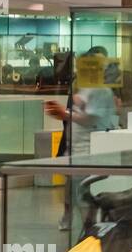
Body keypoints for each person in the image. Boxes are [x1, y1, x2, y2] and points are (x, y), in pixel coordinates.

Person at [45, 47, 119, 232]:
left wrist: (65, 114)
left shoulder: (101, 90)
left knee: (85, 195)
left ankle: (91, 231)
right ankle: (83, 227)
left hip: (89, 150)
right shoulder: (85, 87)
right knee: (75, 190)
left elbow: (91, 118)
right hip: (77, 148)